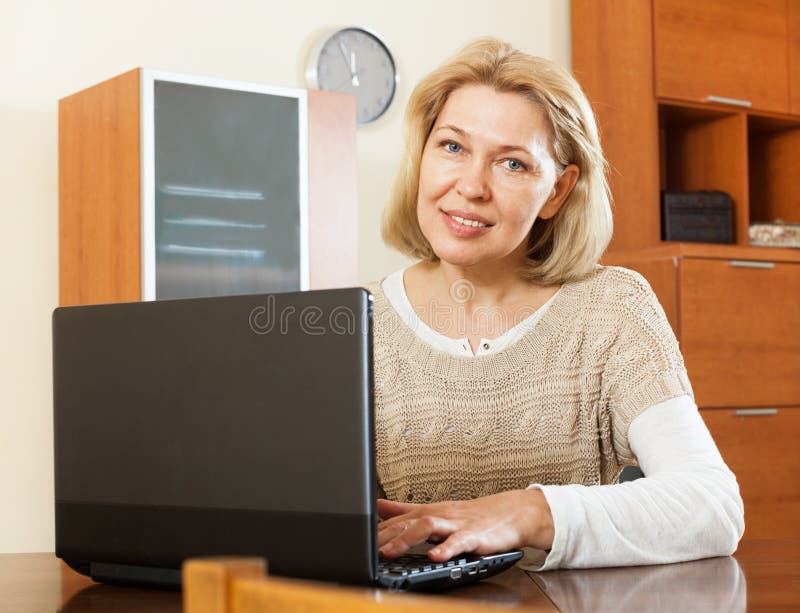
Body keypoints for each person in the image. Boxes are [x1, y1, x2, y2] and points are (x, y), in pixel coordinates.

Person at [364, 37, 744, 570]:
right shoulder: (360, 320)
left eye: (512, 163)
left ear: (558, 192)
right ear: (422, 157)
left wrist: (528, 512)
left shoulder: (611, 308)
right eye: (452, 146)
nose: (471, 186)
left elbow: (712, 507)